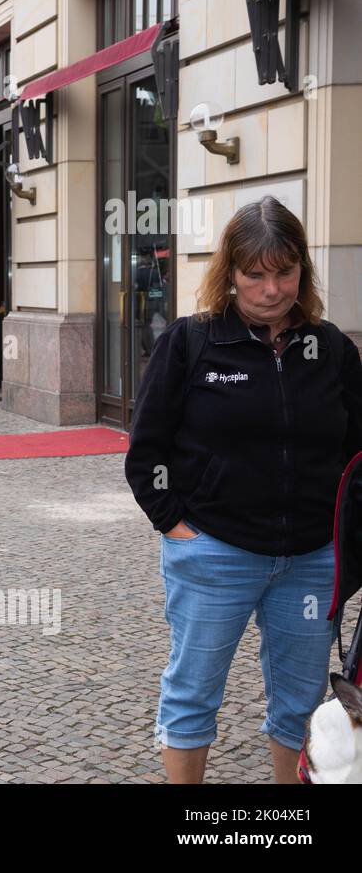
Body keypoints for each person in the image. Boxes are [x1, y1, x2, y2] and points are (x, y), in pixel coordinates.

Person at [125, 196, 362, 784]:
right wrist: (177, 528)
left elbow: (357, 455)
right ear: (229, 272)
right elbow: (146, 453)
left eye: (285, 272)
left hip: (310, 562)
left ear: (302, 271)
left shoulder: (330, 348)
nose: (271, 288)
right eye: (254, 273)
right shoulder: (192, 343)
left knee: (303, 705)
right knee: (192, 696)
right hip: (214, 555)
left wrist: (343, 540)